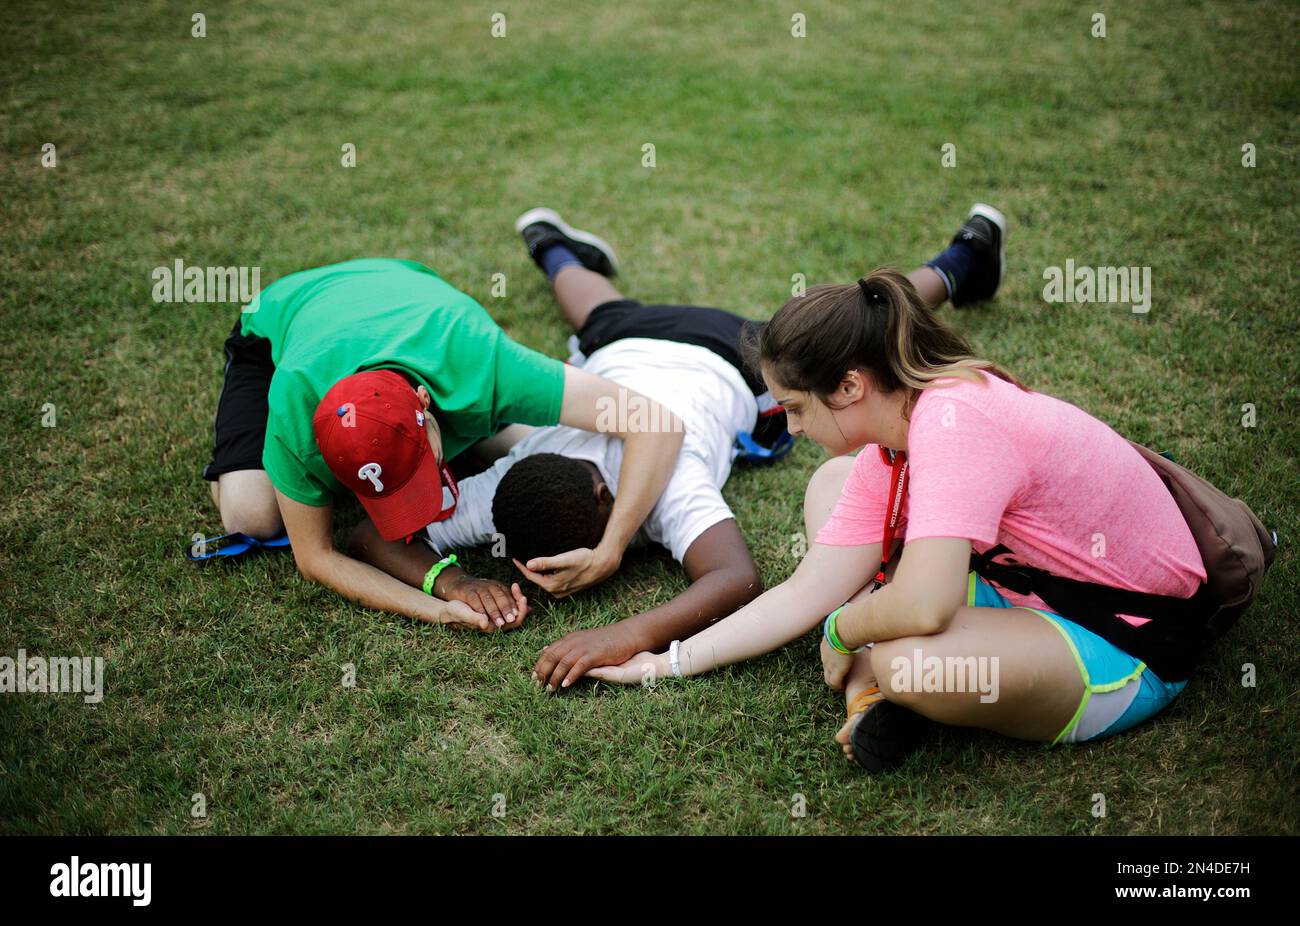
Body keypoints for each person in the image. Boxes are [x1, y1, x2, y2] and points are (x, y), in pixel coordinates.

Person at [592, 204, 1207, 773]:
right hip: (1029, 585)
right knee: (832, 486)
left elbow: (922, 607)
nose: (795, 427)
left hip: (1130, 635)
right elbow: (805, 591)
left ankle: (879, 688)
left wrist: (843, 628)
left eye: (797, 408)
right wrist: (666, 663)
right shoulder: (905, 430)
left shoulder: (953, 423)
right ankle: (867, 700)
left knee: (910, 663)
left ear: (851, 386)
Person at [350, 208, 794, 689]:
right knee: (599, 313)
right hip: (626, 338)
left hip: (730, 352)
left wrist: (624, 632)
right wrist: (456, 582)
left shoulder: (672, 482)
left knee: (804, 350)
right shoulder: (511, 480)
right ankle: (553, 247)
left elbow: (738, 579)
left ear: (606, 498)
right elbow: (369, 536)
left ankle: (556, 251)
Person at [201, 256, 685, 631]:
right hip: (277, 323)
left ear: (425, 400)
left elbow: (656, 422)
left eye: (418, 470)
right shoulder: (293, 405)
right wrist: (442, 602)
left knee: (533, 445)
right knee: (252, 516)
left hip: (396, 285)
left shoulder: (488, 363)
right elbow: (316, 558)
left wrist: (611, 549)